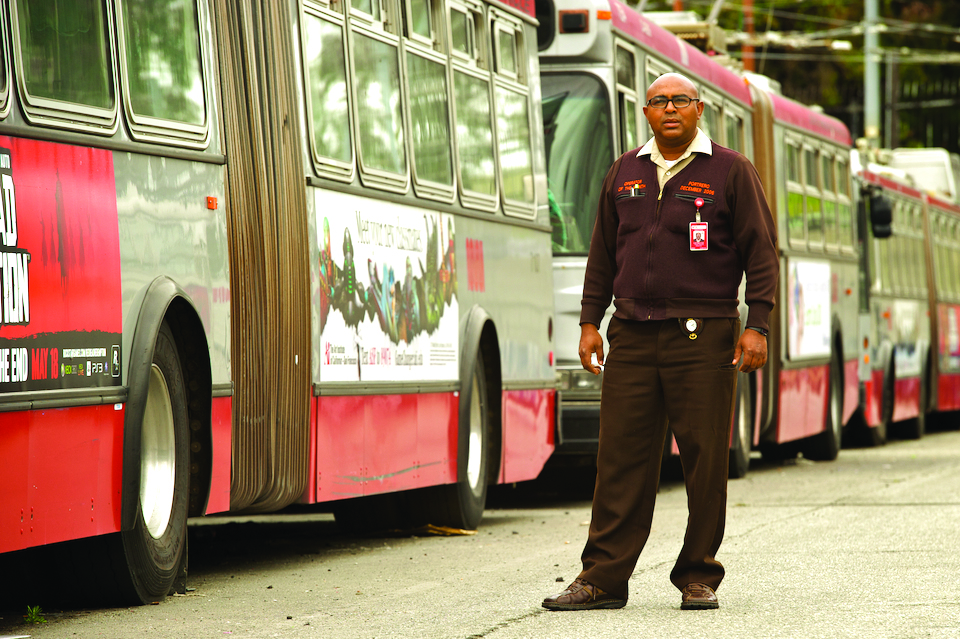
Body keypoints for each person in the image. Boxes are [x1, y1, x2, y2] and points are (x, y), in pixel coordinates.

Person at [542, 73, 778, 612]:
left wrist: (758, 324)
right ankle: (603, 578)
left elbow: (761, 252)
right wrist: (589, 321)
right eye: (659, 102)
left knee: (704, 460)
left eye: (680, 101)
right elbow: (603, 252)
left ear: (699, 109)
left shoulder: (731, 170)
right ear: (646, 112)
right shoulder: (624, 171)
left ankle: (699, 575)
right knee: (619, 459)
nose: (670, 109)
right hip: (630, 334)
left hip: (704, 336)